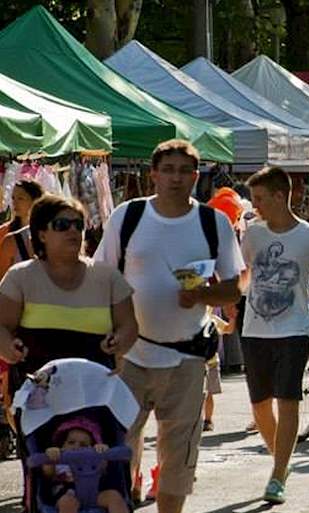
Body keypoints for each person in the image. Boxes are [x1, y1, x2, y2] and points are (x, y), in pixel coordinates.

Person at [94, 140, 244, 513]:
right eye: (168, 170)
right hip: (129, 356)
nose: (176, 178)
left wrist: (204, 296)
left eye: (184, 171)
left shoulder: (213, 222)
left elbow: (236, 284)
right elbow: (102, 277)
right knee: (118, 450)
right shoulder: (127, 217)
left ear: (196, 178)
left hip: (187, 357)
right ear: (154, 175)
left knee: (178, 460)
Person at [240, 167, 309, 504]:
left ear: (280, 196)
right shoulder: (251, 235)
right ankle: (282, 460)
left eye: (261, 199)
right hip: (254, 329)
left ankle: (278, 473)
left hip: (295, 329)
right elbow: (244, 278)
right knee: (259, 406)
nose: (256, 206)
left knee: (287, 399)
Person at [0, 194, 138, 386]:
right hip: (38, 396)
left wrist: (120, 340)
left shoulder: (108, 277)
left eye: (78, 224)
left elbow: (129, 326)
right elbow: (2, 327)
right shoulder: (20, 277)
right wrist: (8, 347)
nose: (73, 230)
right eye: (62, 225)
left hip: (94, 393)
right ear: (42, 234)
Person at [43, 417, 128, 513]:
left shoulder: (92, 460)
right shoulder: (60, 459)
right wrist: (50, 457)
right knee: (68, 503)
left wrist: (102, 453)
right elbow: (48, 474)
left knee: (114, 496)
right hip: (67, 494)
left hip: (93, 494)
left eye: (83, 445)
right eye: (71, 442)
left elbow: (103, 469)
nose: (76, 447)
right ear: (62, 445)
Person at [0, 180, 45, 277]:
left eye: (21, 198)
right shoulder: (3, 232)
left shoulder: (47, 232)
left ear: (35, 201)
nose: (15, 203)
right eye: (13, 198)